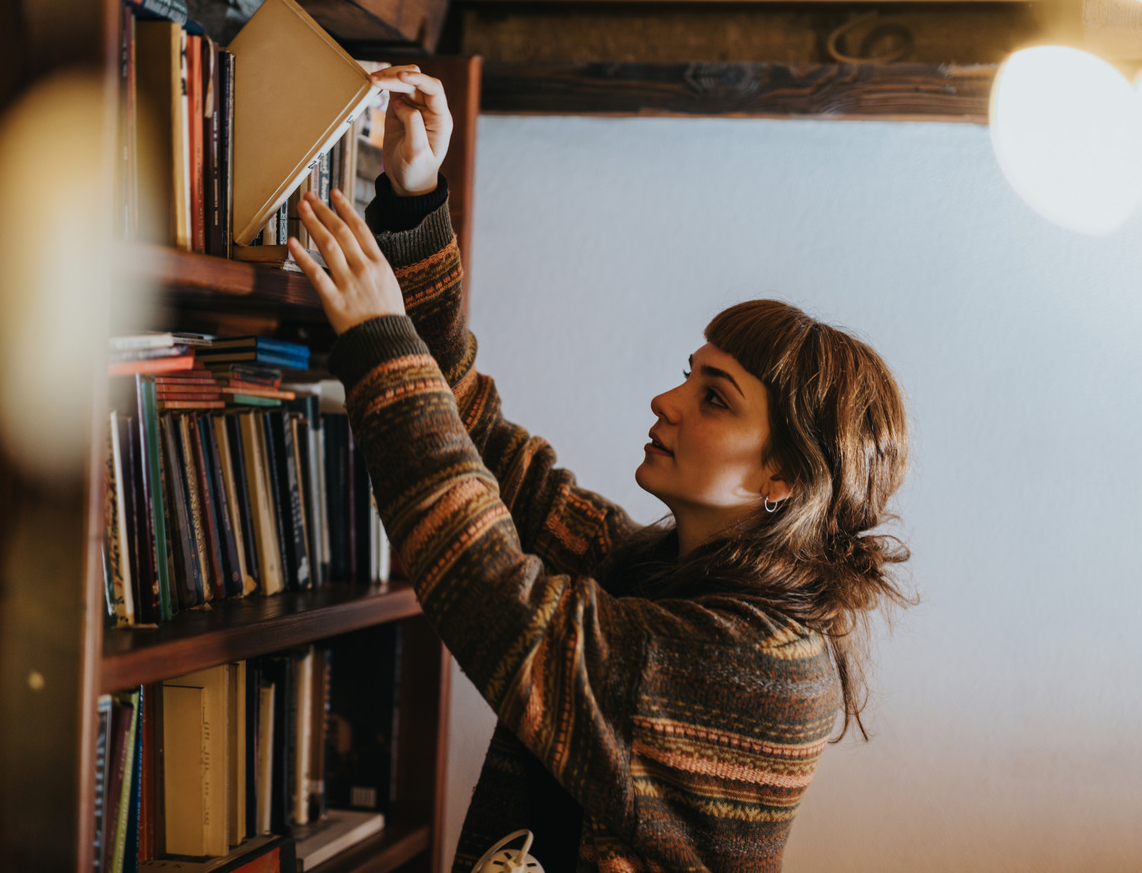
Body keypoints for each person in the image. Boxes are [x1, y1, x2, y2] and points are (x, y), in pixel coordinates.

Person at [285, 65, 913, 873]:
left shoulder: (760, 664)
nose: (666, 399)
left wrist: (381, 340)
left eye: (713, 398)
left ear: (784, 477)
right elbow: (487, 445)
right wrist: (414, 196)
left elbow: (491, 591)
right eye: (688, 373)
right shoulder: (661, 577)